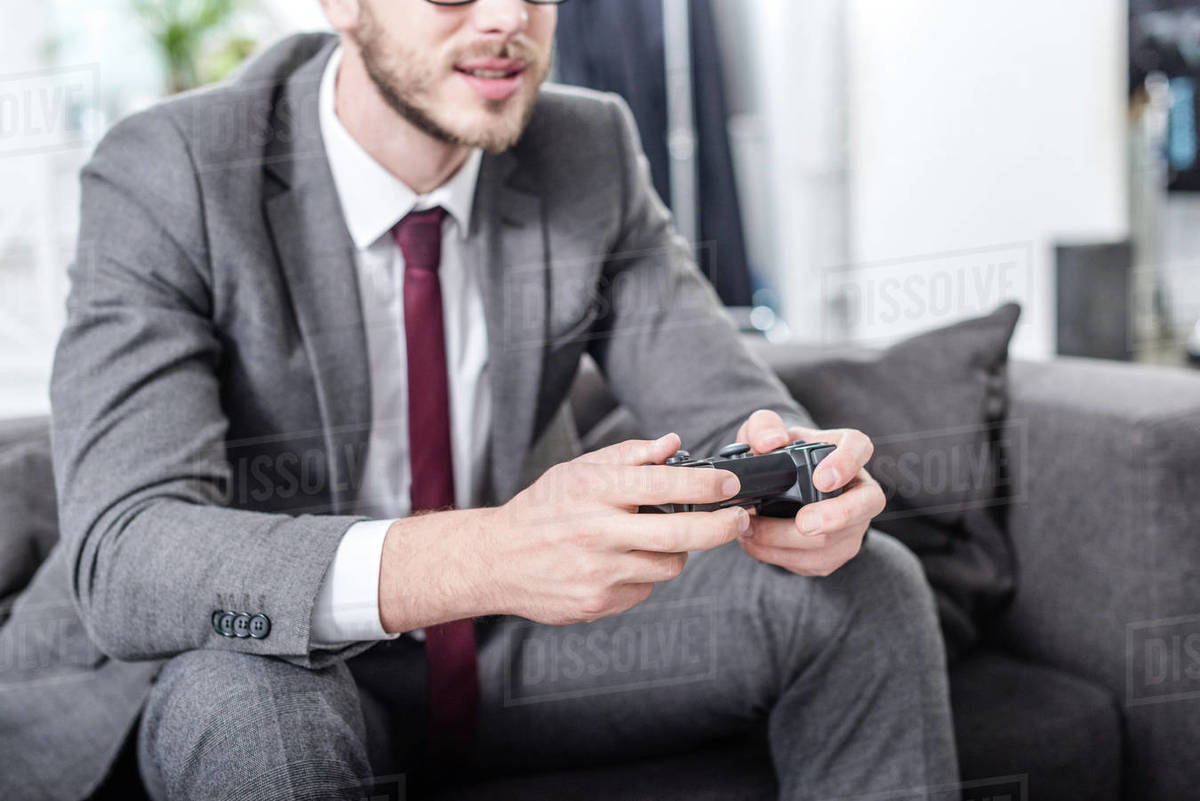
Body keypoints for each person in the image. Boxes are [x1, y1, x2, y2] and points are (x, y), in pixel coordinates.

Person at [2, 1, 958, 798]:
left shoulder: (586, 146)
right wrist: (489, 555)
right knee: (250, 709)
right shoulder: (172, 169)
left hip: (514, 653)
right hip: (273, 660)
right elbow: (125, 551)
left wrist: (801, 486)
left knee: (868, 585)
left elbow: (728, 409)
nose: (508, 18)